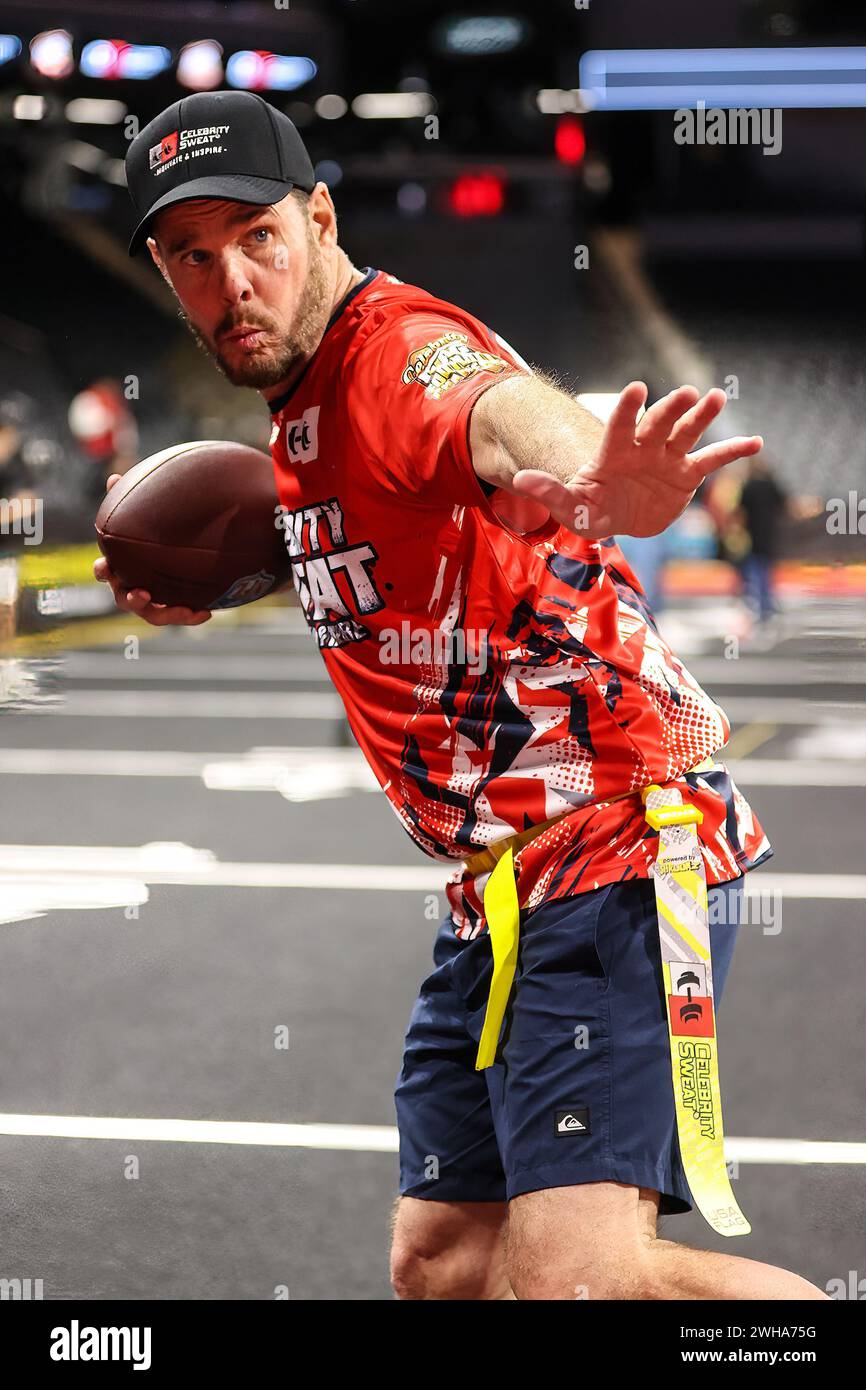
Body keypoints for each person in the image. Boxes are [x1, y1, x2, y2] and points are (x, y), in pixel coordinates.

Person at [95, 91, 826, 1300]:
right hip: (494, 888)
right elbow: (397, 559)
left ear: (321, 221)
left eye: (259, 239)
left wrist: (593, 472)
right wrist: (212, 580)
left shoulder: (398, 352)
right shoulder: (298, 422)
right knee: (444, 1263)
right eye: (191, 254)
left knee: (577, 1281)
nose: (231, 281)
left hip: (618, 845)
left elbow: (491, 410)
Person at [739, 455, 788, 625]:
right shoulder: (771, 485)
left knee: (756, 571)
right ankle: (768, 605)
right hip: (769, 533)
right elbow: (783, 503)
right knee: (765, 570)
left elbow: (740, 508)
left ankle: (762, 606)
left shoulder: (749, 486)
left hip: (753, 534)